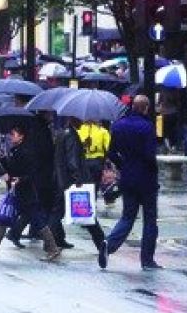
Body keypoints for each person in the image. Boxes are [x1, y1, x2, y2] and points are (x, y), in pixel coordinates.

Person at [0, 125, 61, 261]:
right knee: (2, 218)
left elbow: (32, 173)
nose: (11, 136)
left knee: (38, 221)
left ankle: (53, 248)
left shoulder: (26, 151)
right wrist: (2, 159)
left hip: (26, 194)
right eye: (11, 134)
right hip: (16, 193)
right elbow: (12, 169)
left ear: (21, 136)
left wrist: (20, 179)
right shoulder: (14, 150)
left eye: (14, 134)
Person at [101, 95, 162, 270]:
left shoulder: (118, 125)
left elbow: (111, 152)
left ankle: (109, 244)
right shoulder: (147, 127)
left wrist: (123, 166)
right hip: (146, 179)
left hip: (127, 177)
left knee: (127, 216)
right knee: (150, 220)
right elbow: (150, 155)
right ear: (146, 108)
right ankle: (147, 260)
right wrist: (153, 171)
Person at [54, 115, 107, 263]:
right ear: (73, 119)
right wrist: (78, 179)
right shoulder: (71, 135)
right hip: (72, 183)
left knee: (58, 214)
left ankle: (52, 243)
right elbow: (72, 160)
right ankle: (102, 244)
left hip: (63, 181)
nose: (83, 122)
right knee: (87, 215)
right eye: (80, 119)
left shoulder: (63, 134)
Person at [77, 120, 110, 195]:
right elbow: (108, 148)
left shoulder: (78, 130)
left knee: (85, 184)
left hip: (83, 161)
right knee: (95, 184)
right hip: (97, 161)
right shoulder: (103, 131)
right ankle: (93, 199)